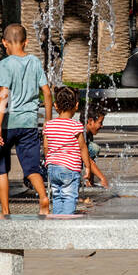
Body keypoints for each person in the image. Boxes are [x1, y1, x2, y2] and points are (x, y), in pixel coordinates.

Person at [0, 23, 53, 216]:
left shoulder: (4, 64)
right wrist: (48, 121)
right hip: (28, 123)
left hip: (8, 124)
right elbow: (46, 92)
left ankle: (5, 210)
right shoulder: (35, 62)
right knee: (31, 167)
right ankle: (43, 196)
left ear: (4, 43)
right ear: (26, 42)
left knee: (2, 169)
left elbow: (4, 94)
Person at [41, 86, 95, 215]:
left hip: (52, 168)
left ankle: (58, 222)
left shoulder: (49, 125)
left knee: (57, 197)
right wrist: (87, 166)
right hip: (69, 168)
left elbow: (46, 147)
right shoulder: (75, 126)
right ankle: (66, 223)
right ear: (76, 106)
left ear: (55, 106)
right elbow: (83, 147)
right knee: (69, 197)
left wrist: (50, 160)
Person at [83, 101, 110, 188]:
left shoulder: (88, 133)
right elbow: (88, 159)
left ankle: (89, 181)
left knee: (93, 148)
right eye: (100, 122)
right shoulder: (81, 134)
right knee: (93, 149)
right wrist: (102, 178)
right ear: (90, 121)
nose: (102, 126)